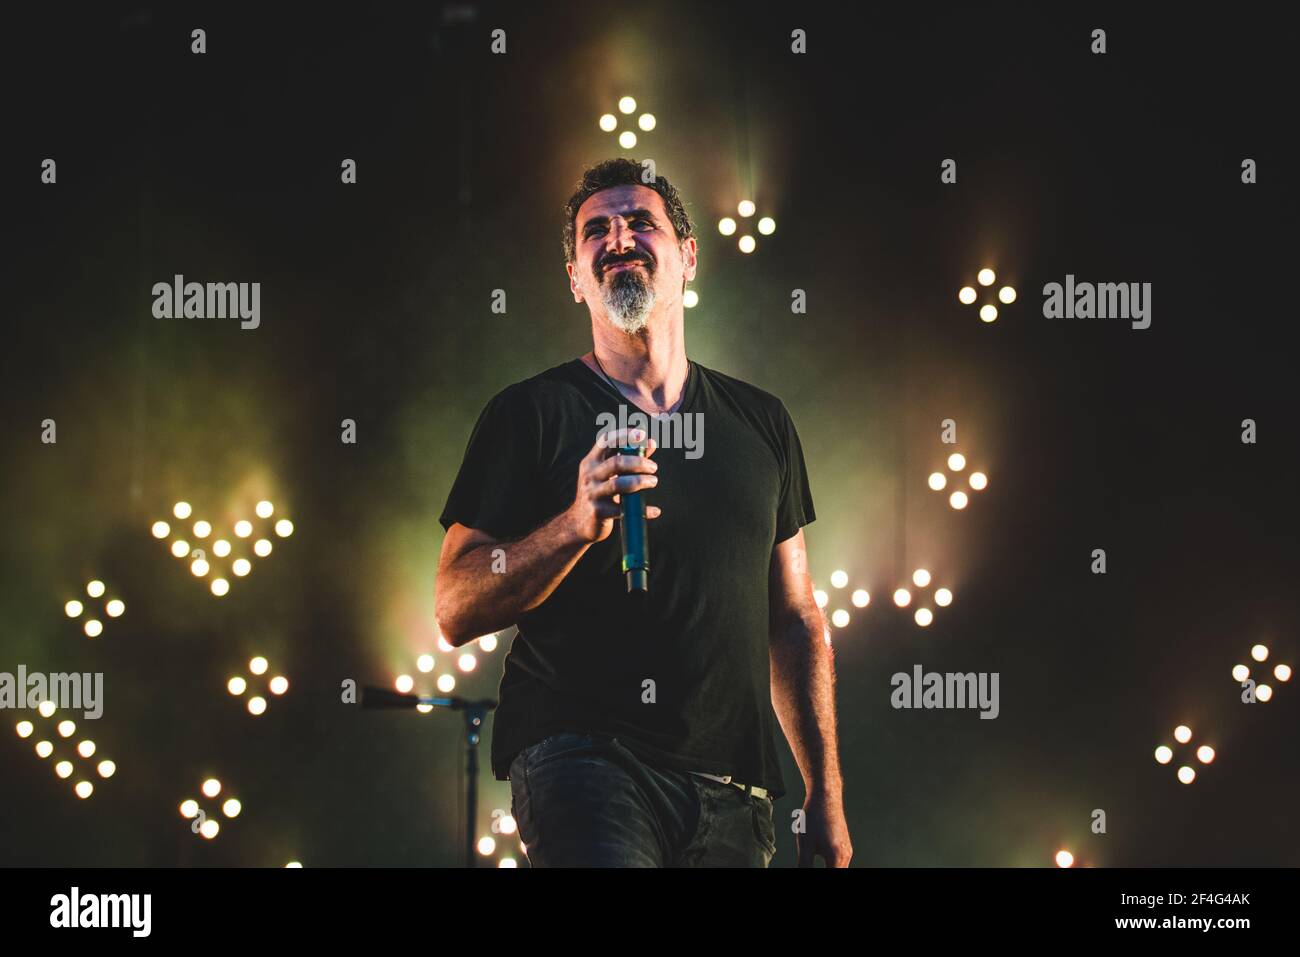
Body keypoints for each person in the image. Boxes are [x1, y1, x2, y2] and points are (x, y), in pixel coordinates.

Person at [436, 158, 851, 867]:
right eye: (595, 230)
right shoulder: (529, 414)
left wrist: (826, 798)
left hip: (736, 792)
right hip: (587, 762)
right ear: (575, 276)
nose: (618, 237)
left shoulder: (762, 424)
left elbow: (794, 617)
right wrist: (573, 524)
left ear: (687, 257)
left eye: (639, 221)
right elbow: (454, 605)